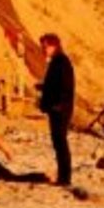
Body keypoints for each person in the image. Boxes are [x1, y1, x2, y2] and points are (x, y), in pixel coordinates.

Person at [37, 31, 75, 186]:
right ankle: (63, 177)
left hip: (60, 110)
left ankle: (65, 178)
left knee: (60, 143)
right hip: (57, 108)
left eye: (46, 46)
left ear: (54, 46)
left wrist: (57, 105)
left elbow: (65, 87)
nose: (44, 49)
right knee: (58, 142)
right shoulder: (56, 62)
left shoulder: (61, 62)